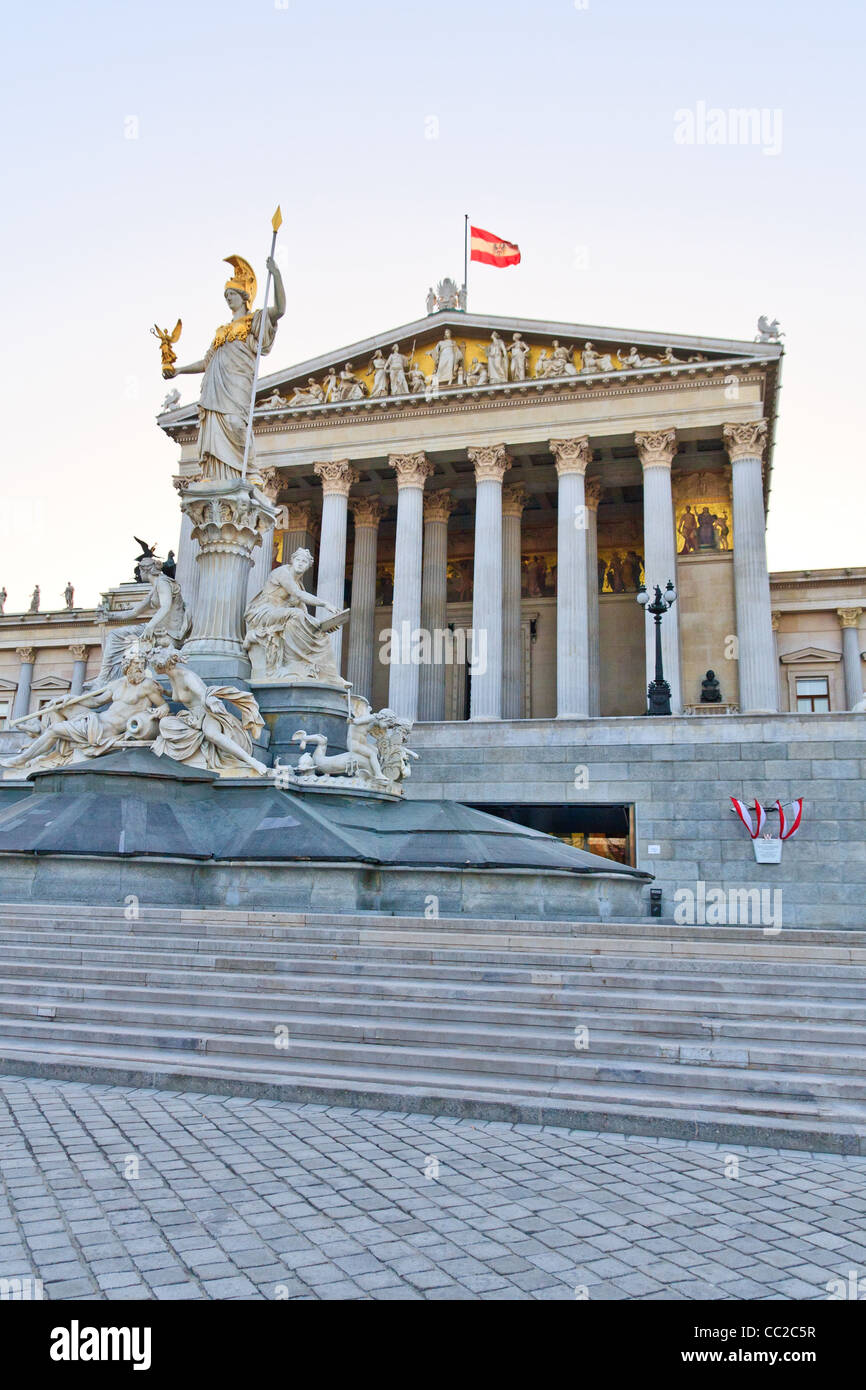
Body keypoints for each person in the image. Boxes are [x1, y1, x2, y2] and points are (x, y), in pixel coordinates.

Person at [162, 254, 285, 484]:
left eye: (232, 295)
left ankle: (249, 471)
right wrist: (178, 370)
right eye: (226, 296)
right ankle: (214, 476)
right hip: (214, 387)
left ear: (244, 296)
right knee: (214, 429)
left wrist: (276, 274)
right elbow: (206, 362)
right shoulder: (221, 331)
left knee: (237, 423)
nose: (228, 299)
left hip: (237, 383)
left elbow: (279, 310)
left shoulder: (254, 322)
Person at [1, 651, 167, 770]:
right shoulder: (118, 683)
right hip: (96, 719)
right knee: (58, 705)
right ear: (127, 666)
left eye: (142, 664)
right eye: (136, 664)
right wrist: (71, 698)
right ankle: (61, 752)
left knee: (53, 730)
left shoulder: (147, 686)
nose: (140, 667)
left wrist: (159, 712)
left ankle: (22, 760)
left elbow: (164, 706)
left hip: (106, 730)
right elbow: (96, 701)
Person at [243, 547, 348, 686]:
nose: (300, 563)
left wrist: (323, 626)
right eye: (298, 560)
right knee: (295, 615)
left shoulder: (298, 584)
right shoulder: (282, 572)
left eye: (304, 562)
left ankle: (330, 675)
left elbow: (304, 615)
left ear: (308, 566)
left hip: (280, 615)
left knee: (322, 636)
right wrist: (325, 604)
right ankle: (291, 663)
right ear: (292, 561)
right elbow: (298, 595)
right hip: (263, 612)